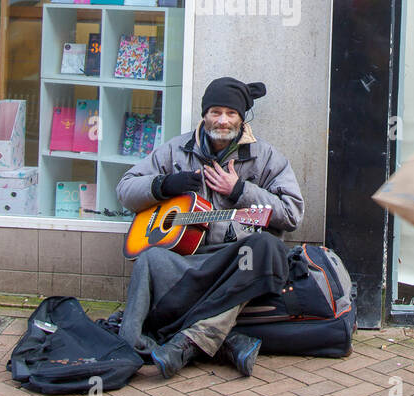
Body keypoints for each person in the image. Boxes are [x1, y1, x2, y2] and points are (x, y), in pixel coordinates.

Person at [116, 76, 304, 379]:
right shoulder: (176, 151)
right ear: (204, 115)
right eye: (215, 112)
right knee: (149, 259)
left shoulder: (265, 156)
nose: (223, 120)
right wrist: (163, 185)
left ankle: (189, 342)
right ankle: (217, 341)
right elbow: (125, 189)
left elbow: (292, 214)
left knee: (268, 247)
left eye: (231, 114)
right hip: (188, 262)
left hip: (235, 264)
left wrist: (241, 190)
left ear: (242, 119)